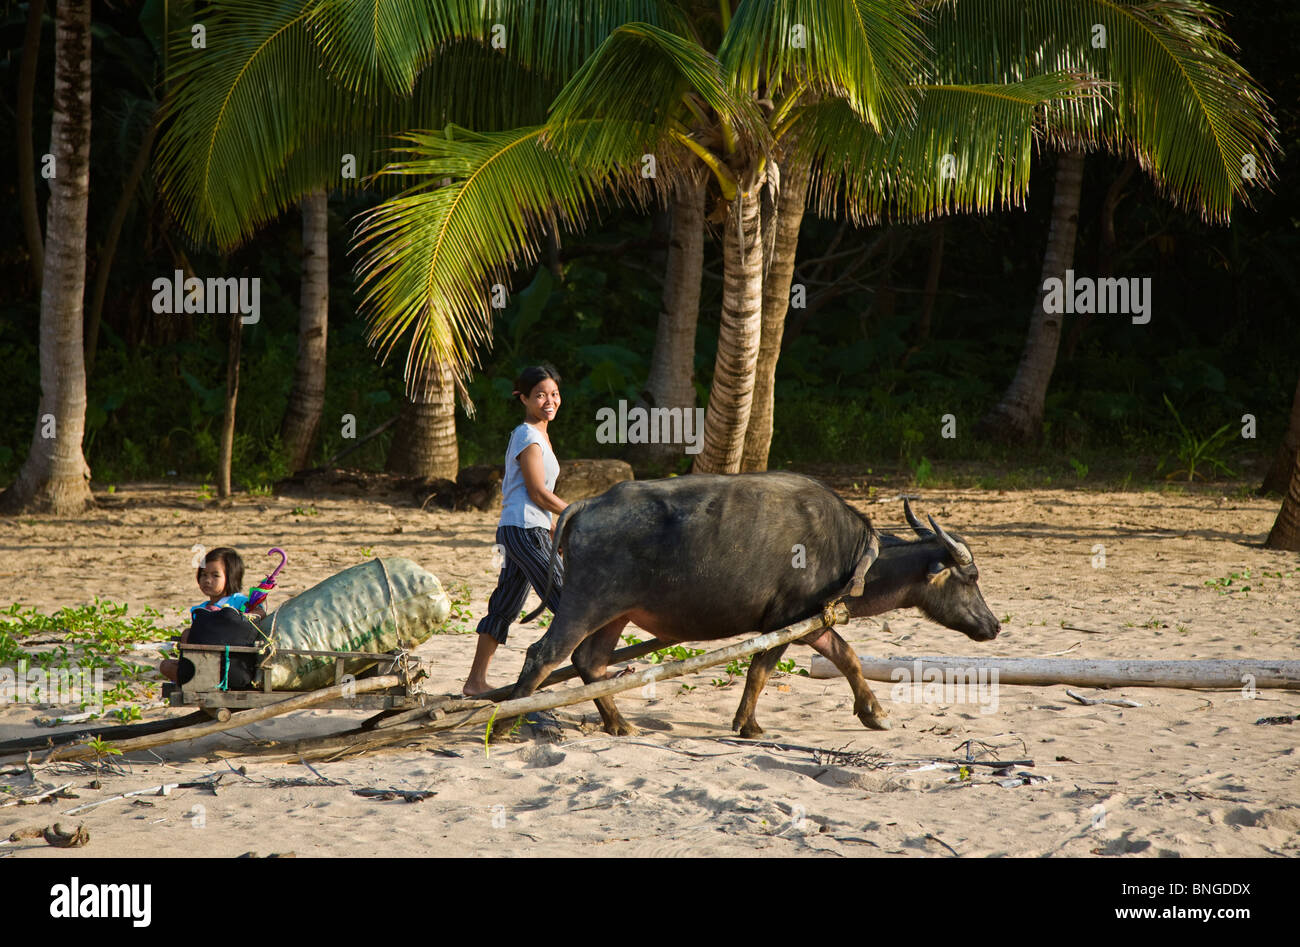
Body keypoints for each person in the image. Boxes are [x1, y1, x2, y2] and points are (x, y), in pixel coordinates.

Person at [463, 366, 569, 696]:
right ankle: (597, 671)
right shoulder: (527, 435)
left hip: (522, 528)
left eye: (553, 394)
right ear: (523, 398)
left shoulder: (540, 435)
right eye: (539, 395)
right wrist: (576, 513)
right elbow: (538, 492)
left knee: (504, 607)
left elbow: (530, 495)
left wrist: (555, 527)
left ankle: (474, 682)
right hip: (523, 531)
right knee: (571, 601)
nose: (548, 400)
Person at [161, 547, 269, 686]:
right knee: (166, 665)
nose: (207, 580)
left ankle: (196, 680)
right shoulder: (200, 609)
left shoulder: (239, 601)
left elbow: (260, 612)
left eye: (215, 575)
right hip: (204, 662)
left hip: (231, 664)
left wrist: (239, 615)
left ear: (231, 577)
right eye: (203, 574)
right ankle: (195, 678)